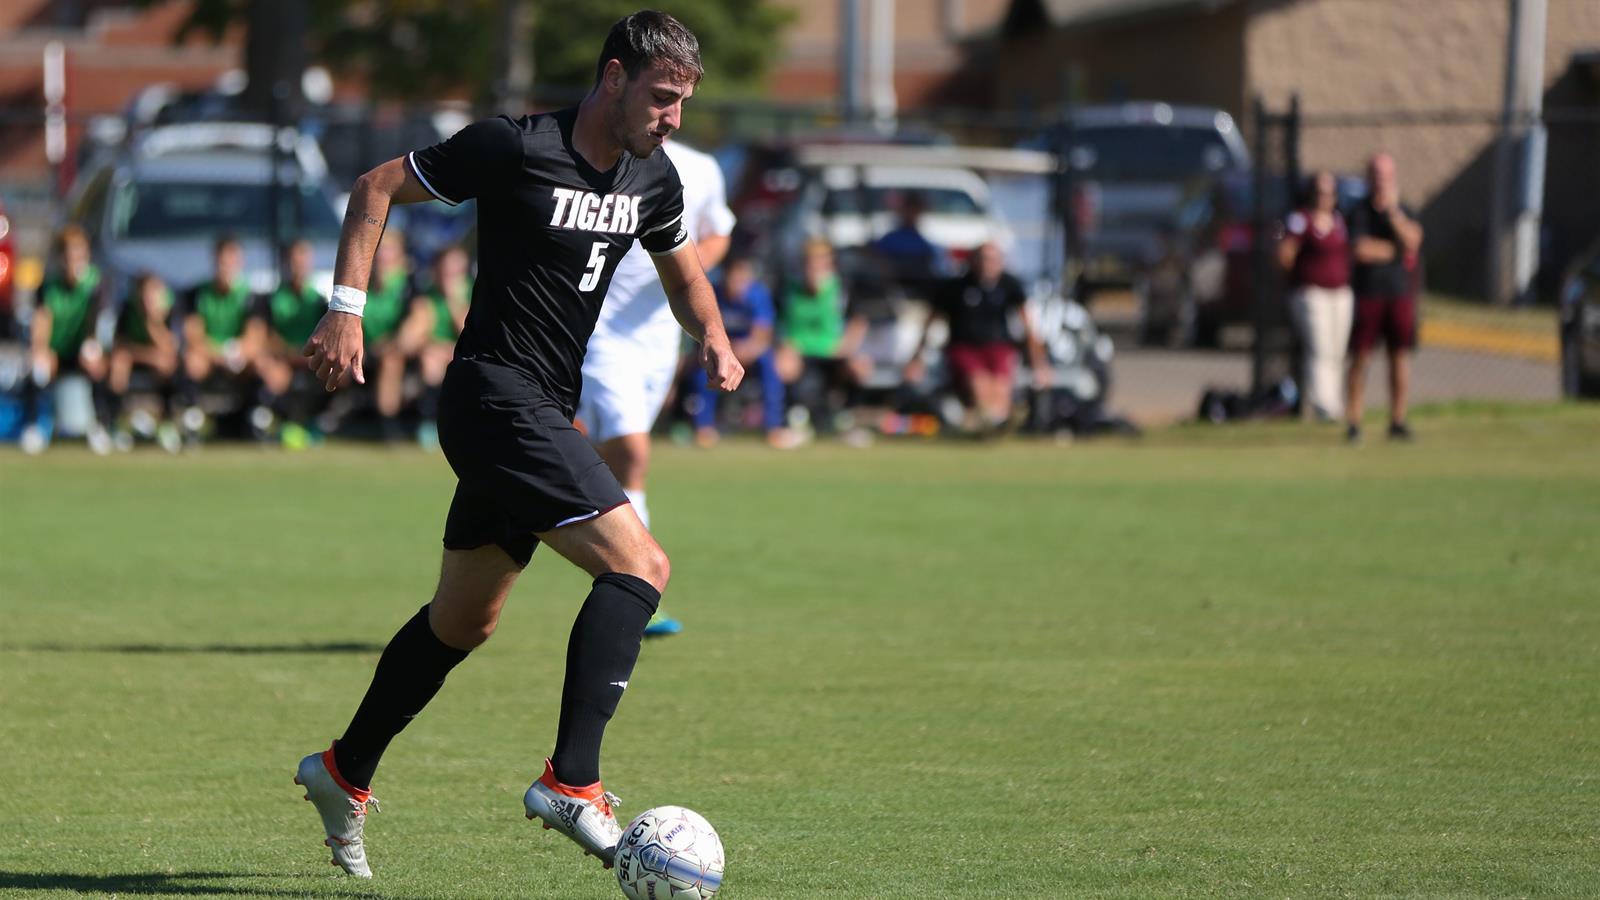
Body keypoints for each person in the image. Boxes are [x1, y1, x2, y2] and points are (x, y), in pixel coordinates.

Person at [293, 11, 742, 880]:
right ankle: (573, 782)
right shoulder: (513, 146)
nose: (672, 117)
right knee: (640, 567)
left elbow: (686, 278)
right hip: (493, 395)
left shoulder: (654, 179)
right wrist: (345, 307)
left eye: (684, 102)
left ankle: (343, 770)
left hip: (541, 410)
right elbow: (376, 184)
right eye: (661, 97)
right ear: (612, 77)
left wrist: (715, 340)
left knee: (463, 621)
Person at [577, 135, 735, 638]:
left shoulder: (700, 167)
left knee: (618, 459)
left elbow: (718, 232)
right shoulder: (602, 158)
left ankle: (621, 580)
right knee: (633, 453)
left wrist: (678, 266)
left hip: (662, 336)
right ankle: (637, 586)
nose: (666, 114)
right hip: (599, 330)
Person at [904, 241, 1049, 433]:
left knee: (1001, 388)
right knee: (980, 385)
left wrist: (1040, 364)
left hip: (998, 348)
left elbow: (1029, 328)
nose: (987, 264)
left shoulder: (1009, 285)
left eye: (992, 259)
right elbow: (931, 323)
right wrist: (916, 358)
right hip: (964, 349)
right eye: (983, 259)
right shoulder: (955, 287)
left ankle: (992, 421)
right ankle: (988, 421)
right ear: (973, 261)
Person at [1346, 152, 1424, 443]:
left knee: (1399, 357)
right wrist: (1395, 251)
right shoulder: (1359, 212)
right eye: (1376, 175)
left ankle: (1397, 420)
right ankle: (1354, 421)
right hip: (1368, 294)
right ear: (1368, 178)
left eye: (1386, 175)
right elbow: (1360, 250)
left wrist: (1393, 214)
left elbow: (1413, 241)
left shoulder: (1403, 210)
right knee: (1361, 358)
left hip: (1398, 293)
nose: (1381, 181)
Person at [19, 224, 112, 454]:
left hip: (82, 349)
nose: (74, 260)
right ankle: (34, 428)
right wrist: (40, 350)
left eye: (79, 254)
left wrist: (91, 346)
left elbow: (96, 323)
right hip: (56, 350)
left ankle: (100, 426)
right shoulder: (48, 285)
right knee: (37, 368)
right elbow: (41, 321)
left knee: (95, 361)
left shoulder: (95, 283)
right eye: (69, 255)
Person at [688, 255, 794, 448]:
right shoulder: (714, 295)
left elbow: (762, 336)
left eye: (741, 276)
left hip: (750, 352)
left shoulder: (758, 295)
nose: (737, 281)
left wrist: (742, 351)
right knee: (701, 371)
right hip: (723, 352)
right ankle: (703, 428)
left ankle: (774, 428)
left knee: (769, 367)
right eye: (733, 276)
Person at [774, 238, 872, 435]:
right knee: (780, 365)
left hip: (832, 352)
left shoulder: (841, 288)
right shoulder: (789, 288)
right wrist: (783, 344)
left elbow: (859, 320)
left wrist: (847, 346)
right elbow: (774, 322)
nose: (816, 265)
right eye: (811, 260)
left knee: (860, 366)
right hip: (799, 351)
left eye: (821, 260)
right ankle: (788, 418)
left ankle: (848, 419)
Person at [175, 234, 267, 443]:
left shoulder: (251, 295)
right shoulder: (197, 293)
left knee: (262, 363)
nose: (227, 266)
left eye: (232, 260)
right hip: (210, 356)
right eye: (222, 260)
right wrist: (221, 355)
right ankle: (193, 421)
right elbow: (193, 336)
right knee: (192, 361)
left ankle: (256, 418)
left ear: (240, 262)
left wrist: (236, 353)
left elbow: (255, 338)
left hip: (239, 358)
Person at [1278, 170, 1353, 423]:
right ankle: (1325, 406)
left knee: (1336, 351)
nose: (1325, 197)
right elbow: (1285, 253)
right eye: (1320, 192)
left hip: (1340, 294)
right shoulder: (1301, 220)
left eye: (1330, 193)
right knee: (1320, 349)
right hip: (1312, 294)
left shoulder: (1339, 220)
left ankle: (1334, 401)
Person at [398, 244, 472, 448]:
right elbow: (409, 340)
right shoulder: (426, 297)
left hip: (467, 354)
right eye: (445, 268)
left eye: (455, 269)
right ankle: (430, 422)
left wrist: (453, 299)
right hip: (434, 355)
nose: (449, 274)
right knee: (430, 361)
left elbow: (467, 332)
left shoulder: (472, 294)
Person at [256, 239, 329, 446]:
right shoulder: (271, 299)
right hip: (284, 359)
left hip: (312, 361)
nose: (298, 267)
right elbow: (266, 337)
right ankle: (280, 422)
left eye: (302, 261)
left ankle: (320, 422)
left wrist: (308, 356)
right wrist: (290, 354)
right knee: (271, 371)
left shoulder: (319, 301)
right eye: (293, 261)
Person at [107, 271, 180, 451]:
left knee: (167, 365)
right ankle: (115, 424)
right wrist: (146, 355)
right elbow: (119, 345)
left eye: (154, 293)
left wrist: (152, 322)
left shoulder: (169, 312)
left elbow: (169, 350)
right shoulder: (128, 310)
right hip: (134, 359)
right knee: (118, 363)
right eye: (146, 293)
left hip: (156, 363)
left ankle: (167, 424)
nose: (149, 299)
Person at [363, 230, 417, 442]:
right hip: (366, 350)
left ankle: (388, 426)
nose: (382, 255)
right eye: (379, 249)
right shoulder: (362, 284)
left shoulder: (408, 284)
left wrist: (389, 345)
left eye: (388, 249)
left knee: (391, 360)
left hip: (398, 351)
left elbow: (417, 322)